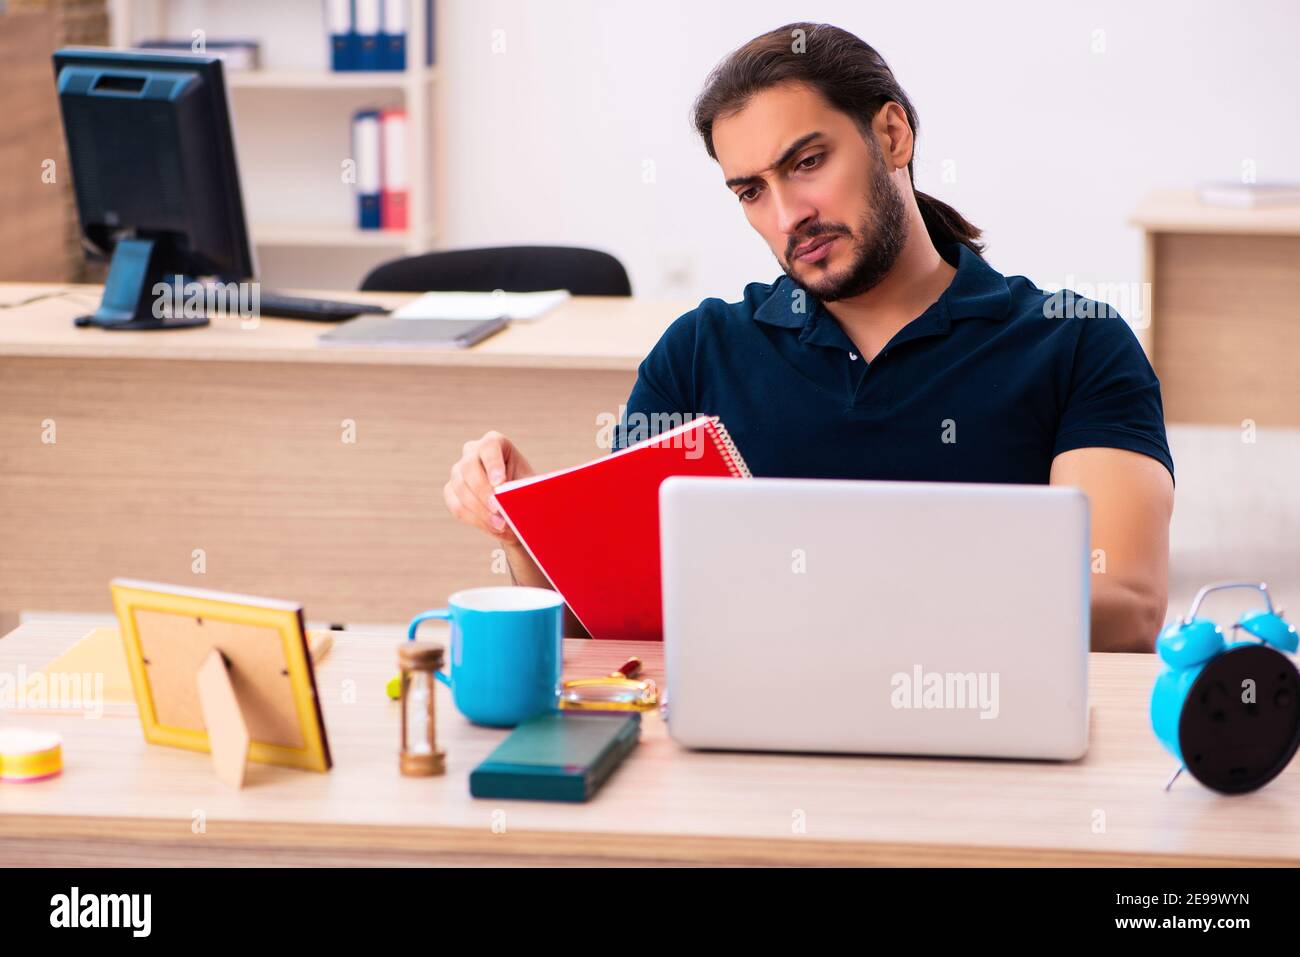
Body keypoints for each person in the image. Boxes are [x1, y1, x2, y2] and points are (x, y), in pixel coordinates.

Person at [443, 22, 1174, 652]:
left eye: (807, 163)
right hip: (743, 756)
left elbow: (1124, 608)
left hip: (978, 737)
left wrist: (838, 603)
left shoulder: (1074, 342)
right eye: (752, 190)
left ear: (892, 135)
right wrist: (526, 533)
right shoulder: (699, 353)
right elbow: (615, 630)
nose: (789, 214)